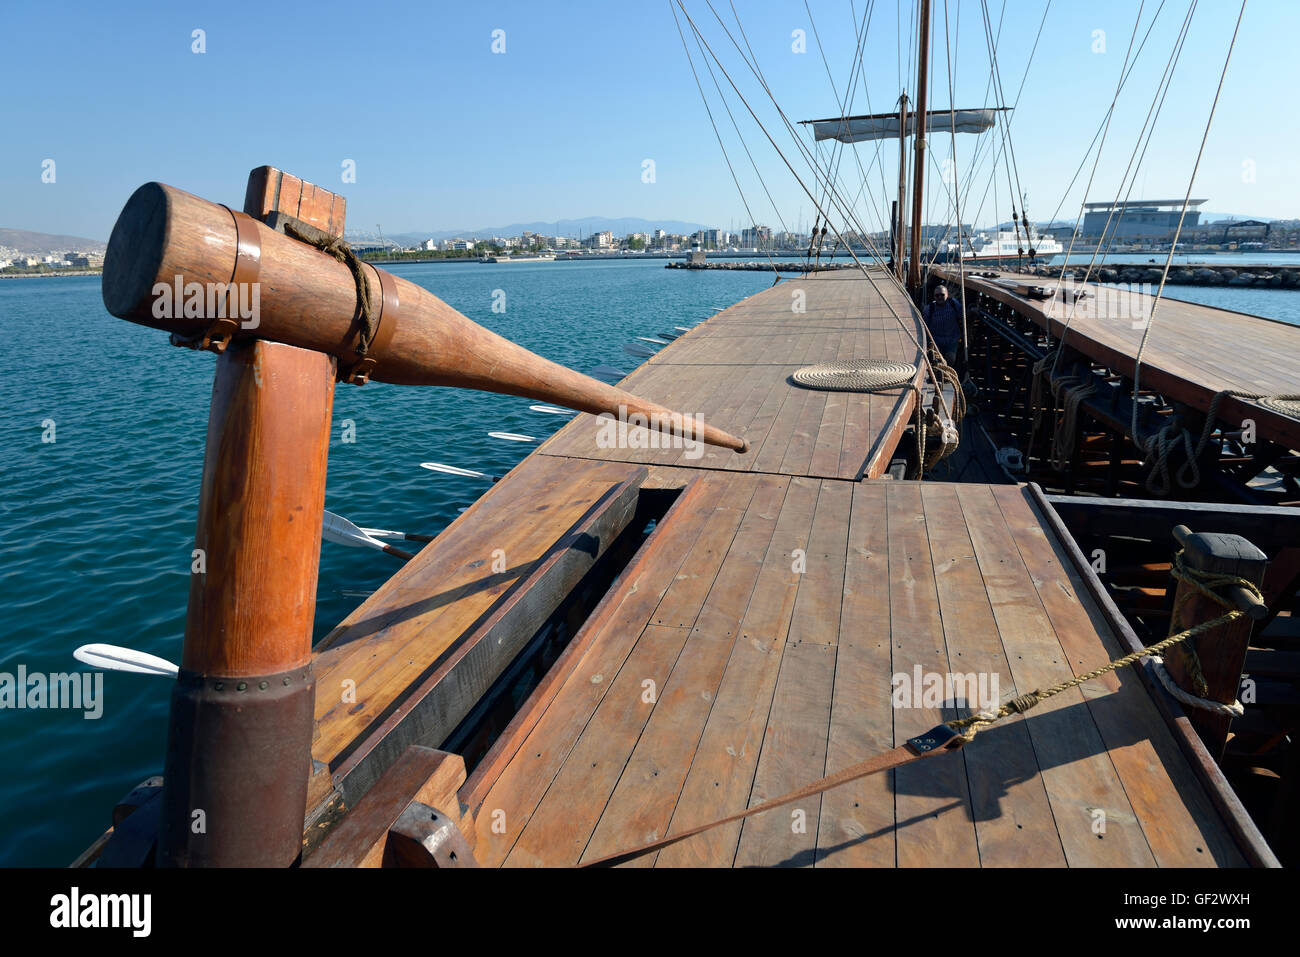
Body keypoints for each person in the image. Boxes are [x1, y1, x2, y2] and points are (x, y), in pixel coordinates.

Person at [922, 284, 963, 366]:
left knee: (951, 358)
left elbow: (963, 315)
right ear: (934, 297)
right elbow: (924, 327)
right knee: (937, 361)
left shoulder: (954, 304)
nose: (940, 297)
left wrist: (971, 311)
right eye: (937, 295)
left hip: (952, 339)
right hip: (936, 340)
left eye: (942, 295)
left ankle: (950, 372)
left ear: (947, 295)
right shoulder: (929, 309)